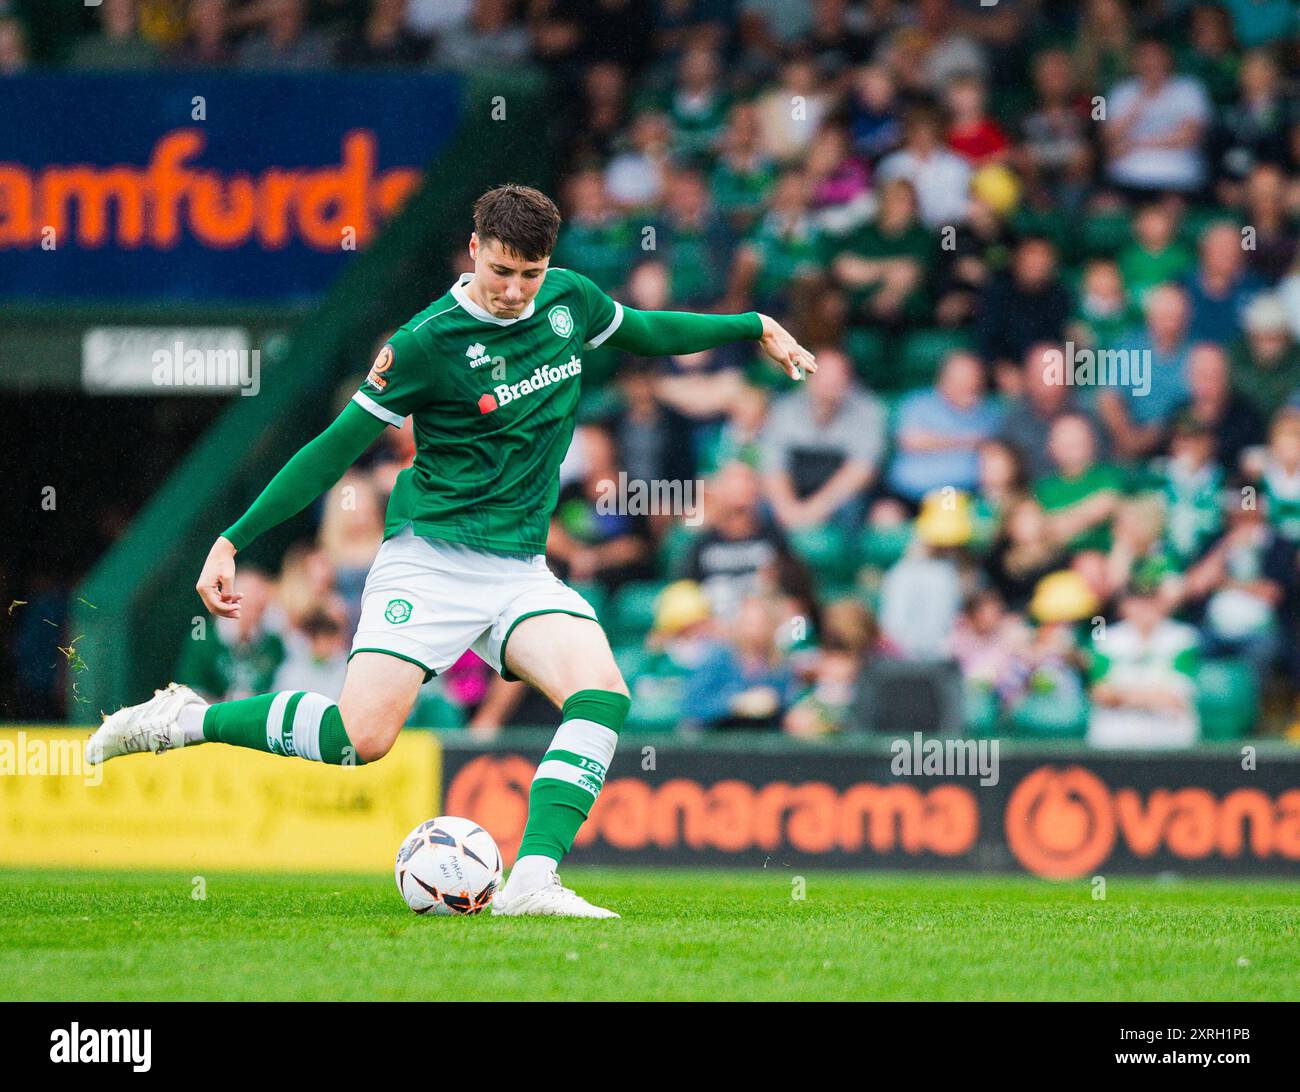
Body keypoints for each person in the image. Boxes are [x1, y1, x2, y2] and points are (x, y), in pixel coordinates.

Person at [86, 184, 817, 919]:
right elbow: (332, 450)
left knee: (602, 694)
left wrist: (753, 324)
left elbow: (647, 332)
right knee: (358, 739)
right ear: (475, 251)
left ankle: (532, 880)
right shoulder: (424, 343)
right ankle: (183, 720)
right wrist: (231, 539)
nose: (514, 290)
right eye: (502, 271)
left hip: (521, 569)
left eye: (530, 273)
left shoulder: (569, 301)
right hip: (431, 561)